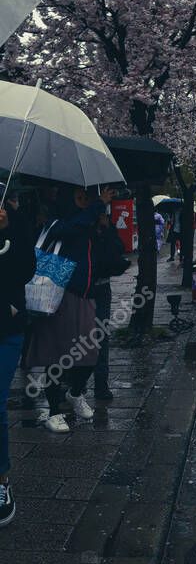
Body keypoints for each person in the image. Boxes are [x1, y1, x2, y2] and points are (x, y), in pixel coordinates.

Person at [26, 185, 114, 432]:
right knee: (56, 356)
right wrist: (97, 205)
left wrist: (104, 225)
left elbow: (112, 254)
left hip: (84, 296)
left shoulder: (90, 224)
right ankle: (54, 410)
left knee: (89, 353)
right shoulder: (56, 223)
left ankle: (75, 393)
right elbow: (70, 229)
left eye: (86, 196)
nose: (85, 200)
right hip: (55, 297)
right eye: (78, 197)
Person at [0, 185, 36, 525]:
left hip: (5, 329)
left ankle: (1, 480)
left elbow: (25, 269)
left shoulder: (13, 218)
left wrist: (6, 232)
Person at [92, 206, 131, 401]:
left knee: (101, 334)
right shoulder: (82, 227)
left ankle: (101, 384)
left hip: (102, 287)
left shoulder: (108, 228)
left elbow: (118, 250)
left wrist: (107, 229)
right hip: (82, 288)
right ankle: (75, 383)